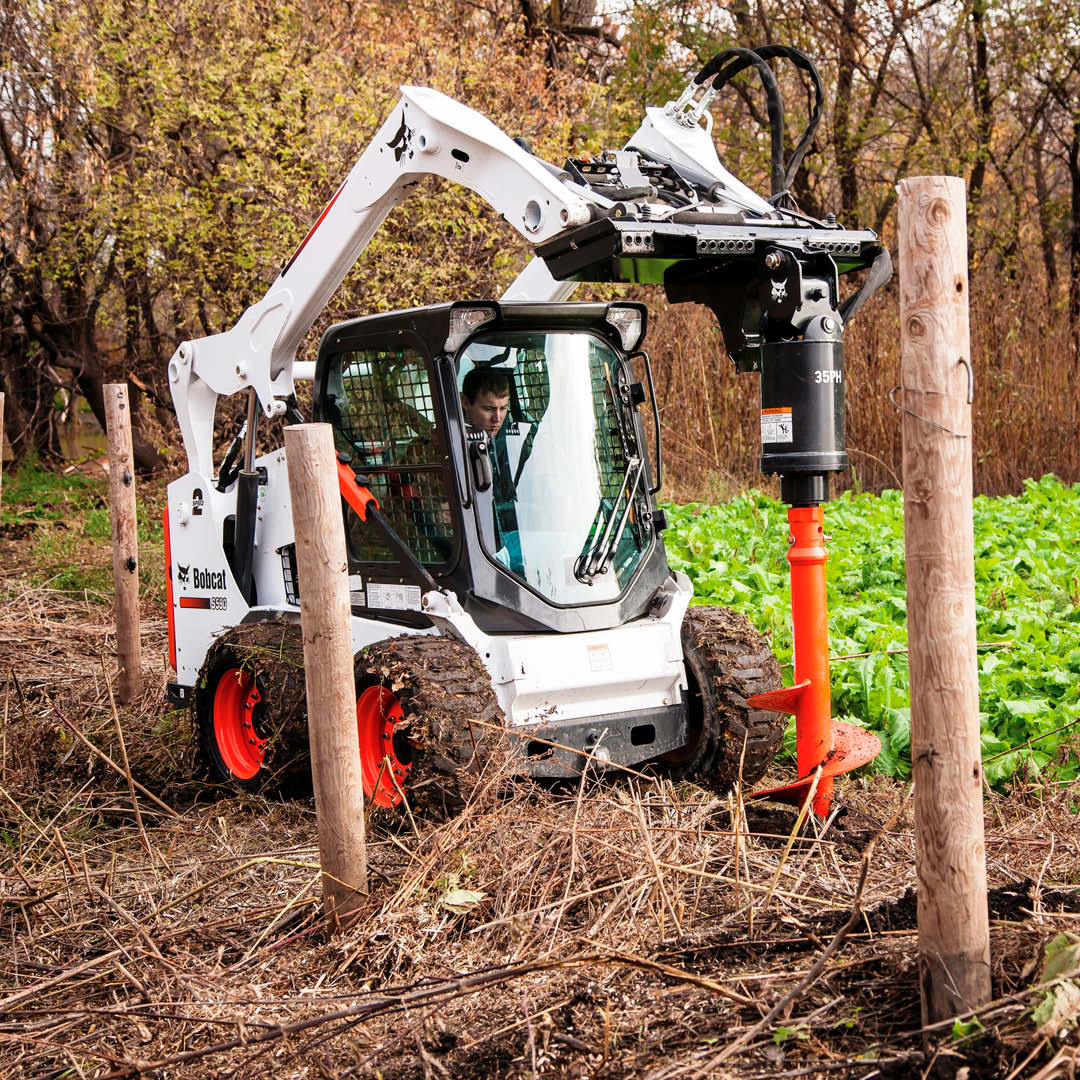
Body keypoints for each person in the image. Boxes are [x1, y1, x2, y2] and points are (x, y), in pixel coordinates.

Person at [459, 366, 526, 575]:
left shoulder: (508, 443)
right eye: (488, 409)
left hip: (503, 542)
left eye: (503, 408)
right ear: (465, 403)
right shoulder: (447, 450)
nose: (497, 418)